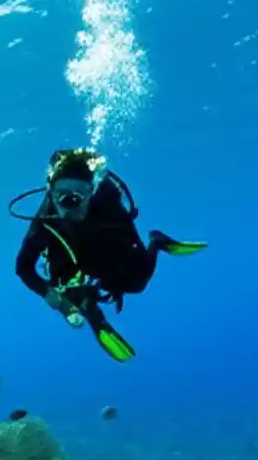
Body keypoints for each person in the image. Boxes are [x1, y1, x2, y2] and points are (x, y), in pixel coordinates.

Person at [13, 148, 207, 362]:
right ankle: (92, 313)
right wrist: (55, 299)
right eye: (61, 197)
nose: (68, 206)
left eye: (76, 198)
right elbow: (23, 267)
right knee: (64, 285)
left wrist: (116, 274)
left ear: (91, 191)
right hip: (65, 250)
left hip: (105, 243)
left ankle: (158, 241)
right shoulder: (44, 223)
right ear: (50, 192)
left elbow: (132, 248)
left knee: (136, 283)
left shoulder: (110, 209)